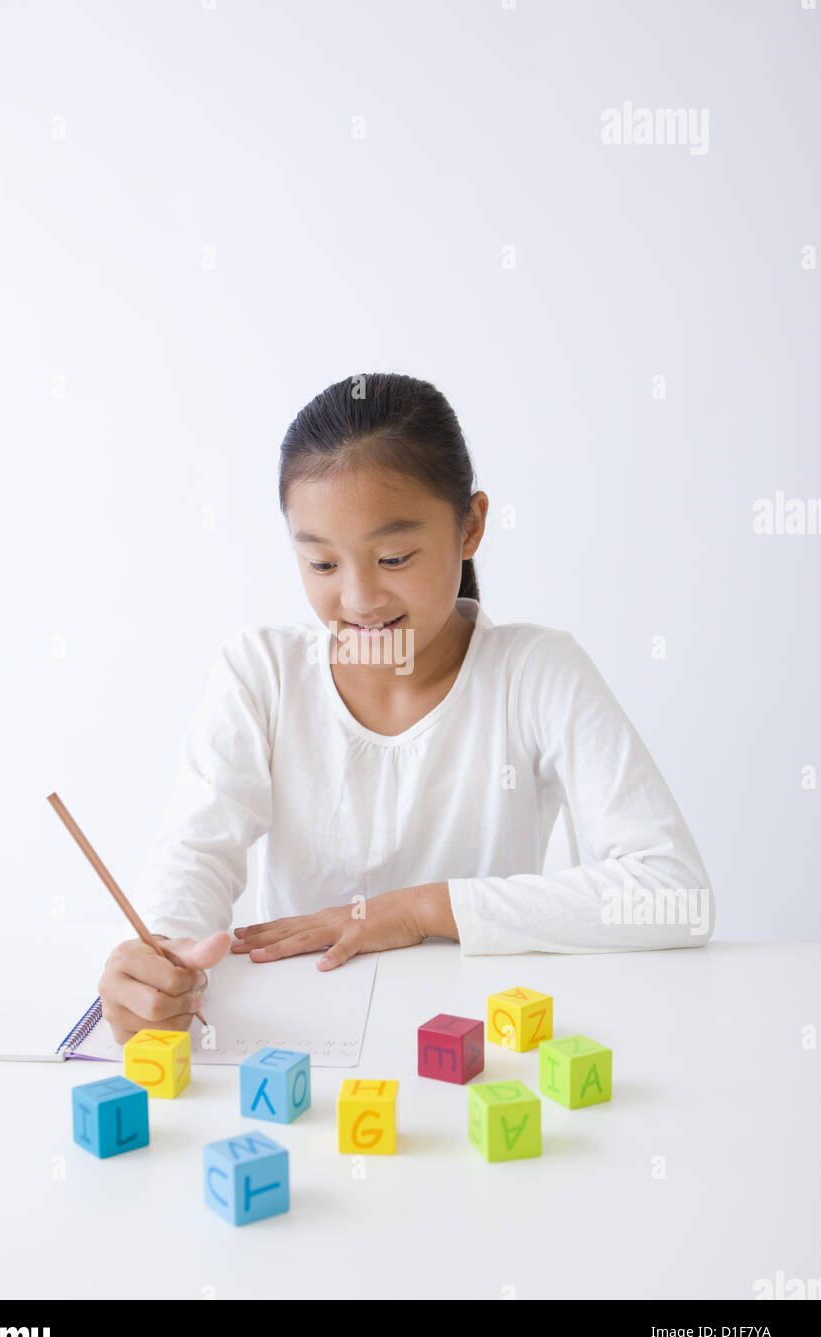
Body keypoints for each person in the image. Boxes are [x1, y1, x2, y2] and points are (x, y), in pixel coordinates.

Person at [98, 372, 715, 1044]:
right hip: (304, 1040)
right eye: (323, 565)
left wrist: (419, 909)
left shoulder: (537, 672)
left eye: (393, 556)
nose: (360, 598)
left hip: (486, 1040)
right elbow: (197, 852)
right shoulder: (262, 673)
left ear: (470, 526)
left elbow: (672, 893)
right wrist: (159, 953)